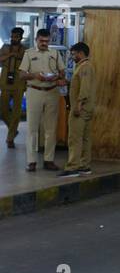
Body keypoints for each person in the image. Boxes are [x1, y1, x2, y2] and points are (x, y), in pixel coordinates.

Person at [19, 28, 65, 171]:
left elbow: (62, 71)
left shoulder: (55, 53)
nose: (44, 43)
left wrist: (58, 77)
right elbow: (21, 74)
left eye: (47, 41)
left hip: (52, 92)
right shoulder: (29, 53)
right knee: (32, 128)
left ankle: (48, 160)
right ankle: (31, 161)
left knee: (51, 128)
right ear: (36, 40)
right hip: (34, 91)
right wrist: (34, 75)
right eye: (41, 41)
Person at [63, 41, 95, 176]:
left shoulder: (85, 67)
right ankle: (84, 166)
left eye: (74, 54)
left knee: (75, 138)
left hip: (81, 109)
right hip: (88, 109)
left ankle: (72, 167)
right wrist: (69, 82)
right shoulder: (84, 66)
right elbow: (81, 85)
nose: (72, 57)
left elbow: (85, 88)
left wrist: (78, 105)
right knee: (86, 138)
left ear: (81, 53)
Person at [0, 26, 26, 149]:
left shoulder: (25, 50)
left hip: (19, 84)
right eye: (12, 36)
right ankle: (13, 129)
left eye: (16, 37)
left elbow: (28, 66)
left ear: (21, 38)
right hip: (5, 83)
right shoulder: (5, 47)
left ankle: (10, 138)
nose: (13, 38)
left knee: (16, 112)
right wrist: (11, 54)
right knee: (3, 110)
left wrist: (19, 56)